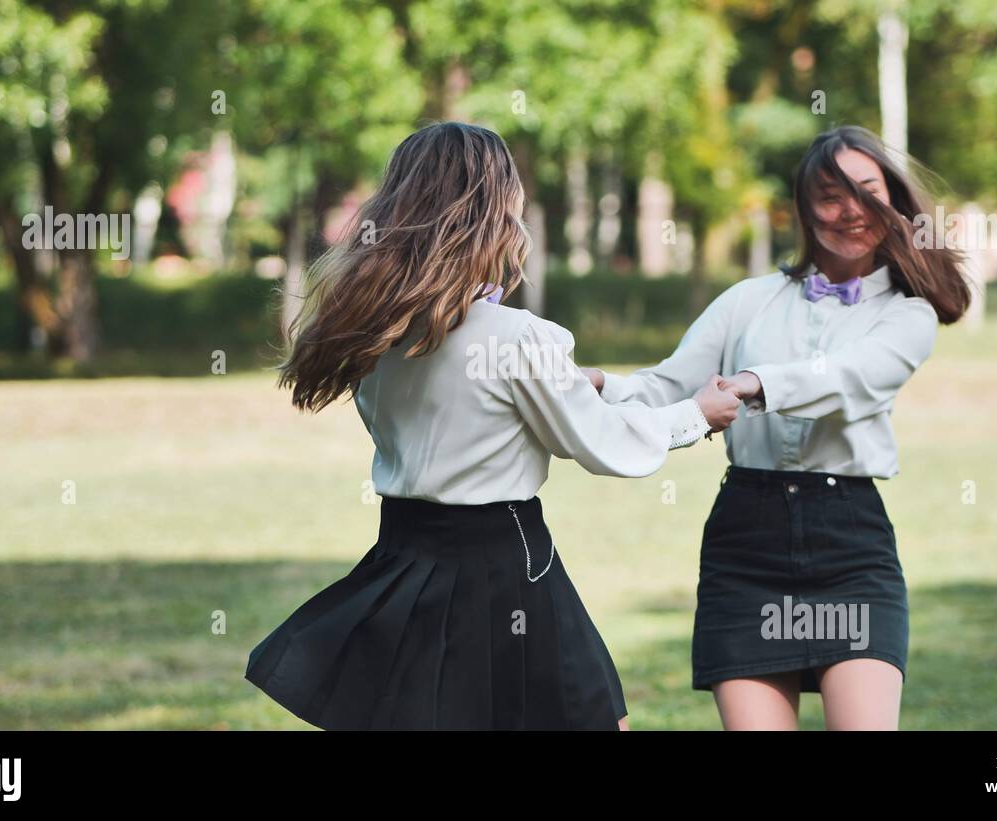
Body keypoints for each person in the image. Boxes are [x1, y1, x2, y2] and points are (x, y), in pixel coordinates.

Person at [244, 121, 741, 730]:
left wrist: (558, 386)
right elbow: (604, 445)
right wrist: (697, 415)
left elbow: (473, 403)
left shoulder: (376, 330)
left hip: (407, 555)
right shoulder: (514, 337)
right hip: (504, 565)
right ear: (495, 206)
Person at [584, 125, 971, 730]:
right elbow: (668, 386)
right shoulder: (747, 300)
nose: (850, 211)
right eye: (830, 196)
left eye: (866, 191)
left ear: (892, 200)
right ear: (805, 210)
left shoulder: (908, 313)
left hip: (849, 544)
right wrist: (603, 384)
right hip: (747, 541)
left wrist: (754, 384)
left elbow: (852, 379)